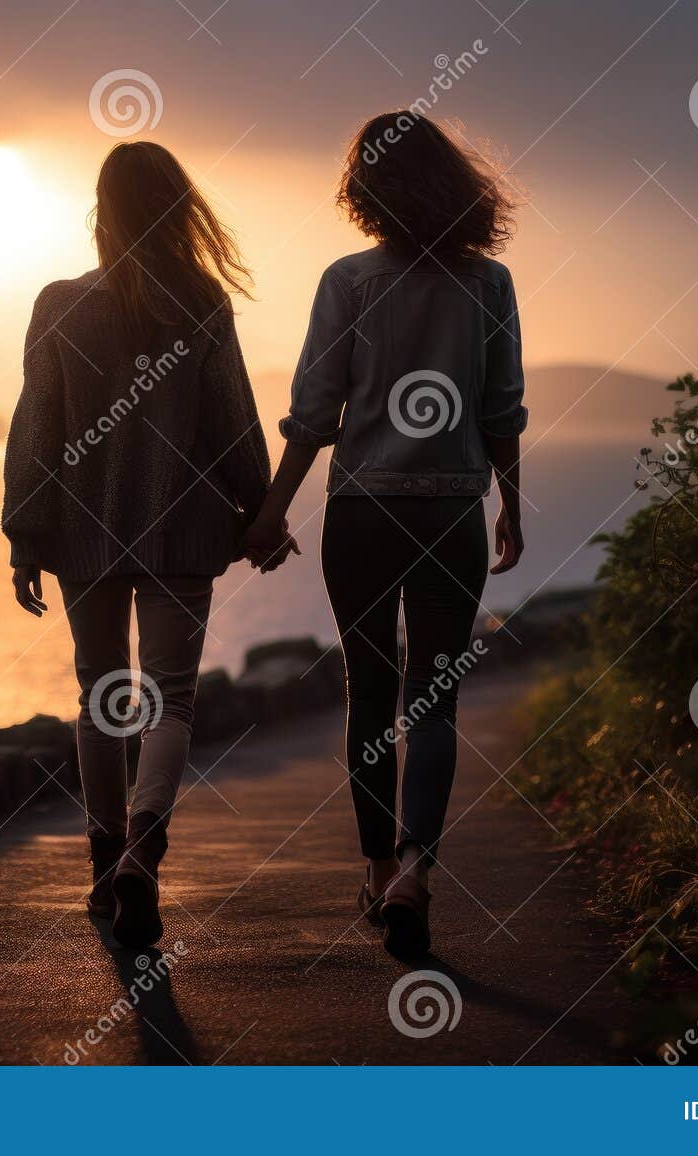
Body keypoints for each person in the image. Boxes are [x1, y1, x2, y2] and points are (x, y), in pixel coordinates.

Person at [242, 111, 526, 957]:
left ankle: (374, 875)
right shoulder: (490, 284)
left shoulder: (348, 281)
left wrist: (271, 509)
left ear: (364, 188)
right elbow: (502, 409)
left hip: (363, 510)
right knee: (434, 696)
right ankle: (415, 871)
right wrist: (510, 501)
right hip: (451, 511)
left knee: (370, 689)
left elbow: (313, 414)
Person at [1, 141, 291, 949]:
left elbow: (37, 433)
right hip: (182, 527)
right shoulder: (199, 301)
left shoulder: (58, 304)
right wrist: (259, 512)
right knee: (170, 699)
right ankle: (142, 854)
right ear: (177, 209)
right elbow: (231, 421)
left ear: (103, 211)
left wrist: (25, 534)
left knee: (101, 695)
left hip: (81, 528)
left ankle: (105, 869)